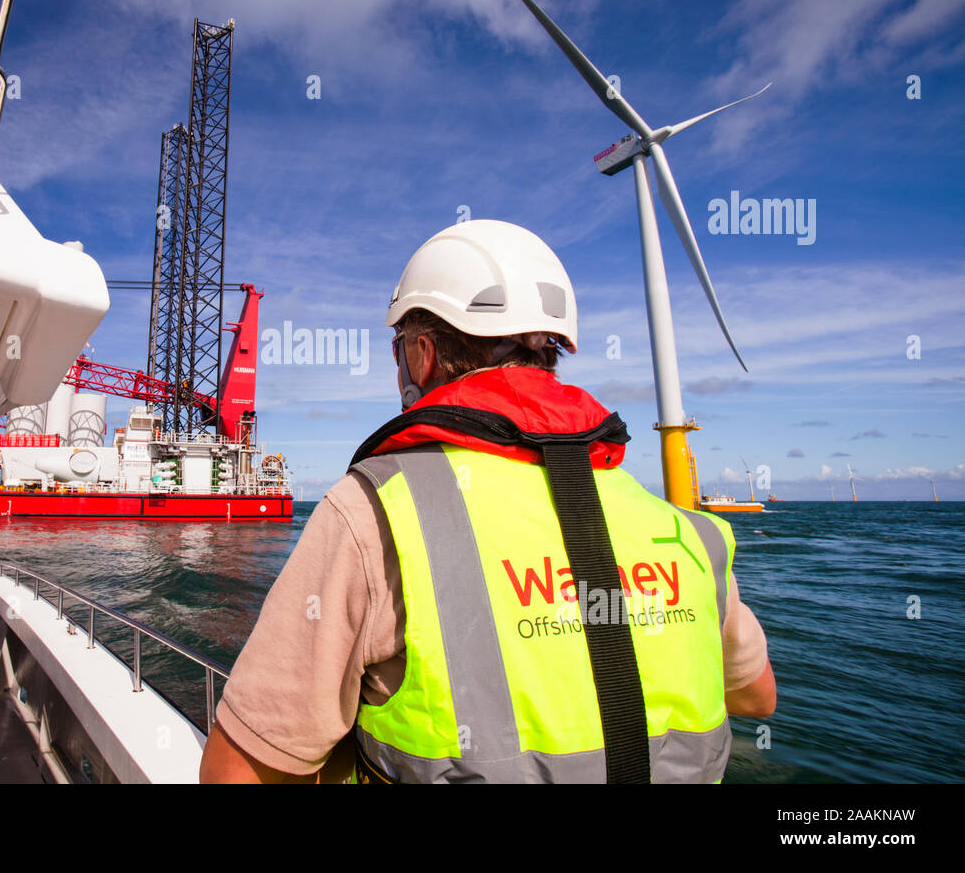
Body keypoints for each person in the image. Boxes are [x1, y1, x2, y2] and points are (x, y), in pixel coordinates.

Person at [200, 219, 774, 783]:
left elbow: (236, 771)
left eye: (399, 347)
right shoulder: (689, 532)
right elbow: (756, 696)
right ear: (552, 349)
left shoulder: (375, 512)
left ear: (422, 353)